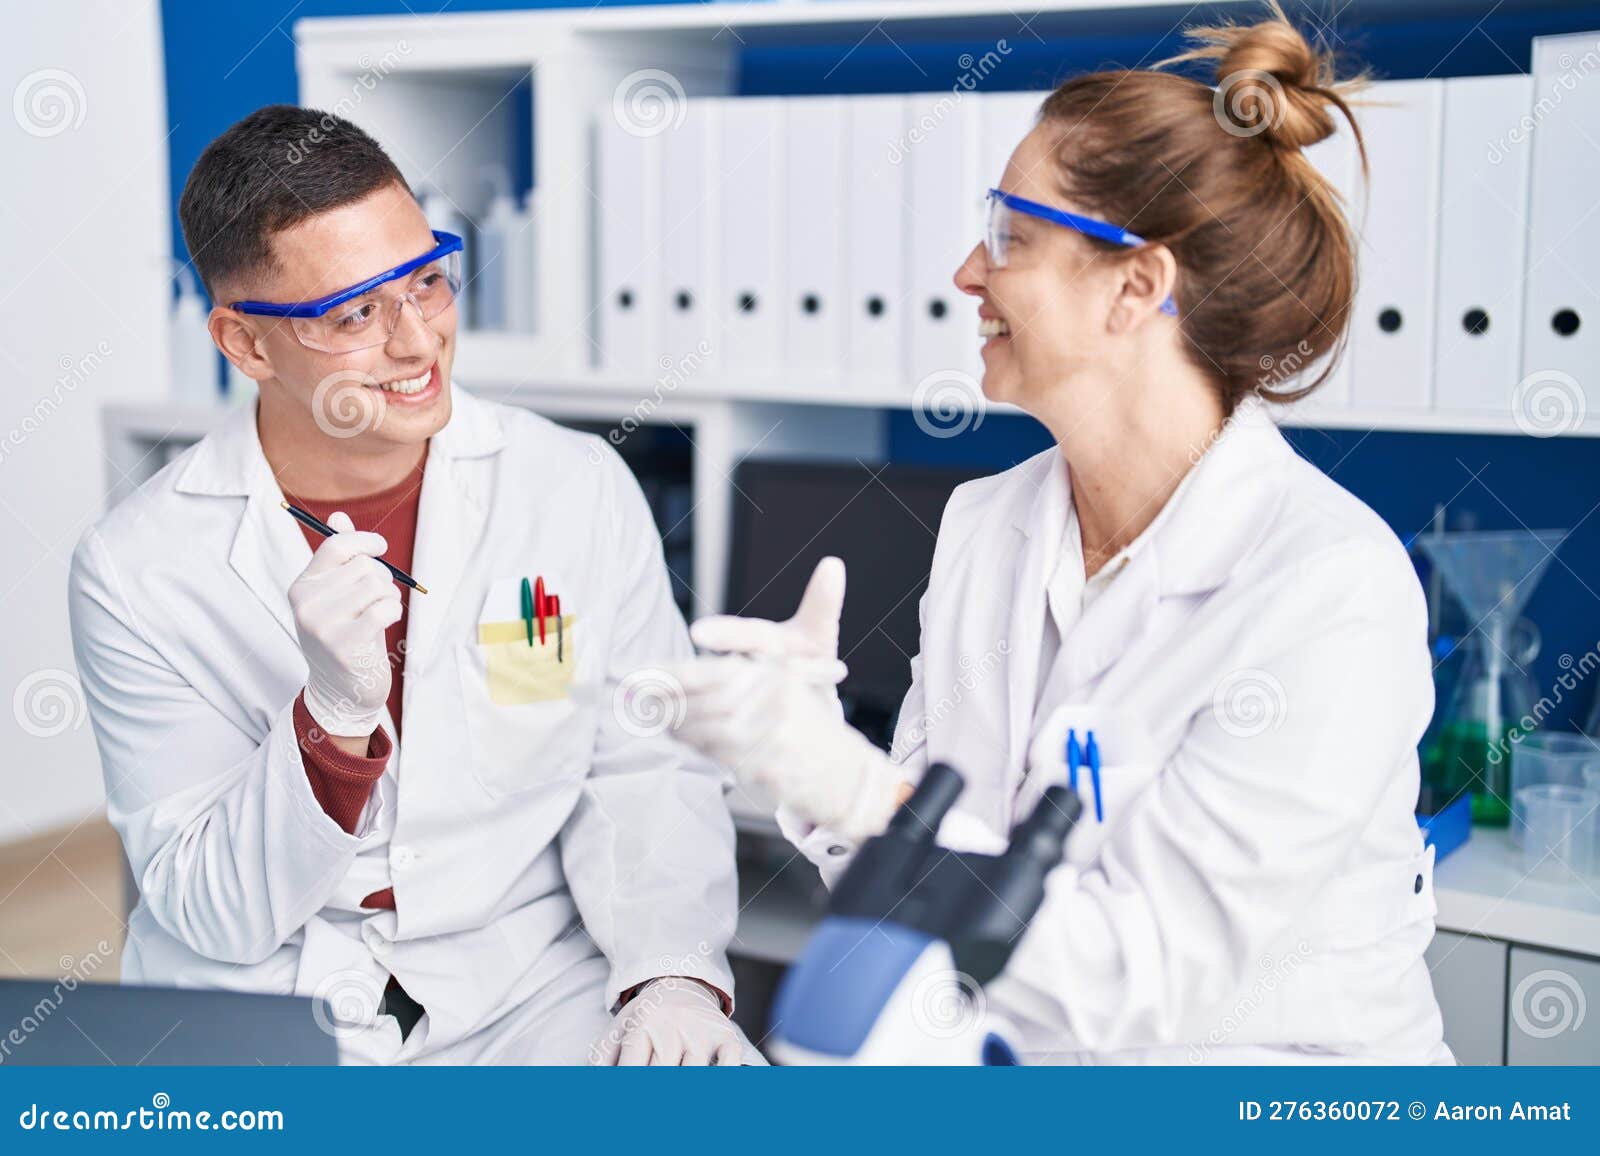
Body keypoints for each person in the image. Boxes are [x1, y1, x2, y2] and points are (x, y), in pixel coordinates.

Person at [670, 6, 1452, 1064]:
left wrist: (856, 789)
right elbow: (917, 875)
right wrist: (813, 755)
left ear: (1136, 286)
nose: (967, 272)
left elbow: (1140, 977)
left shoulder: (1328, 588)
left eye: (1010, 236)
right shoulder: (984, 524)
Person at [69, 106, 749, 1065]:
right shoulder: (137, 566)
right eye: (355, 314)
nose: (418, 342)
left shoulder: (574, 486)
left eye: (426, 279)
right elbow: (214, 910)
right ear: (246, 344)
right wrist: (331, 721)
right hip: (265, 991)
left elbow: (645, 768)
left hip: (526, 985)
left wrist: (671, 976)